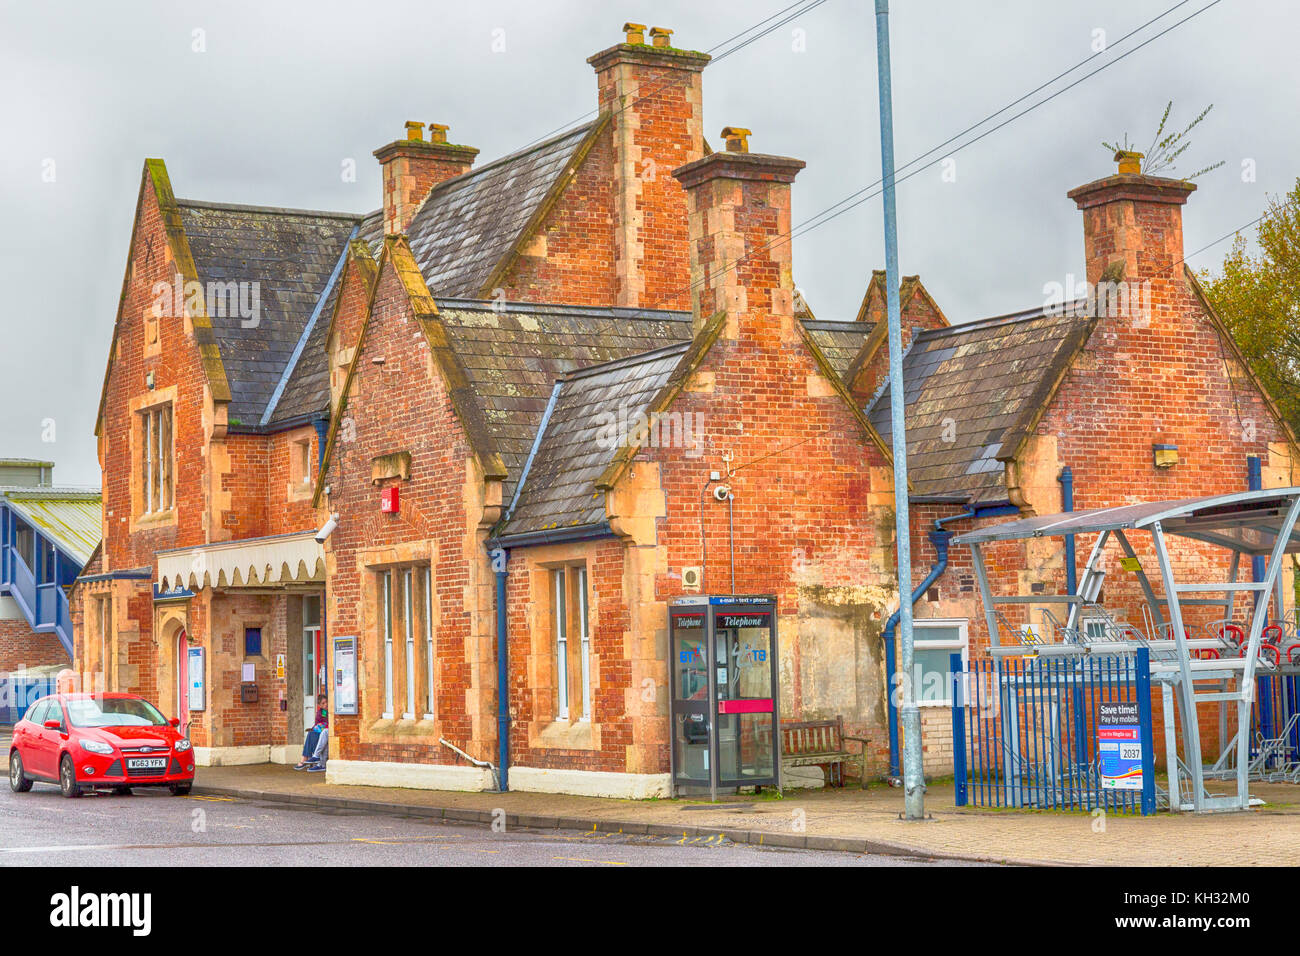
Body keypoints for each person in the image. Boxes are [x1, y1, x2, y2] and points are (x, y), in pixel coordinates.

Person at [295, 693, 329, 770]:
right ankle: (307, 758)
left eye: (326, 702)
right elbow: (317, 723)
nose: (326, 704)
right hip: (321, 732)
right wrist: (316, 727)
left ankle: (304, 759)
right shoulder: (321, 712)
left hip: (325, 733)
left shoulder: (330, 711)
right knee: (311, 733)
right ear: (320, 705)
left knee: (312, 735)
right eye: (323, 703)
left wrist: (323, 725)